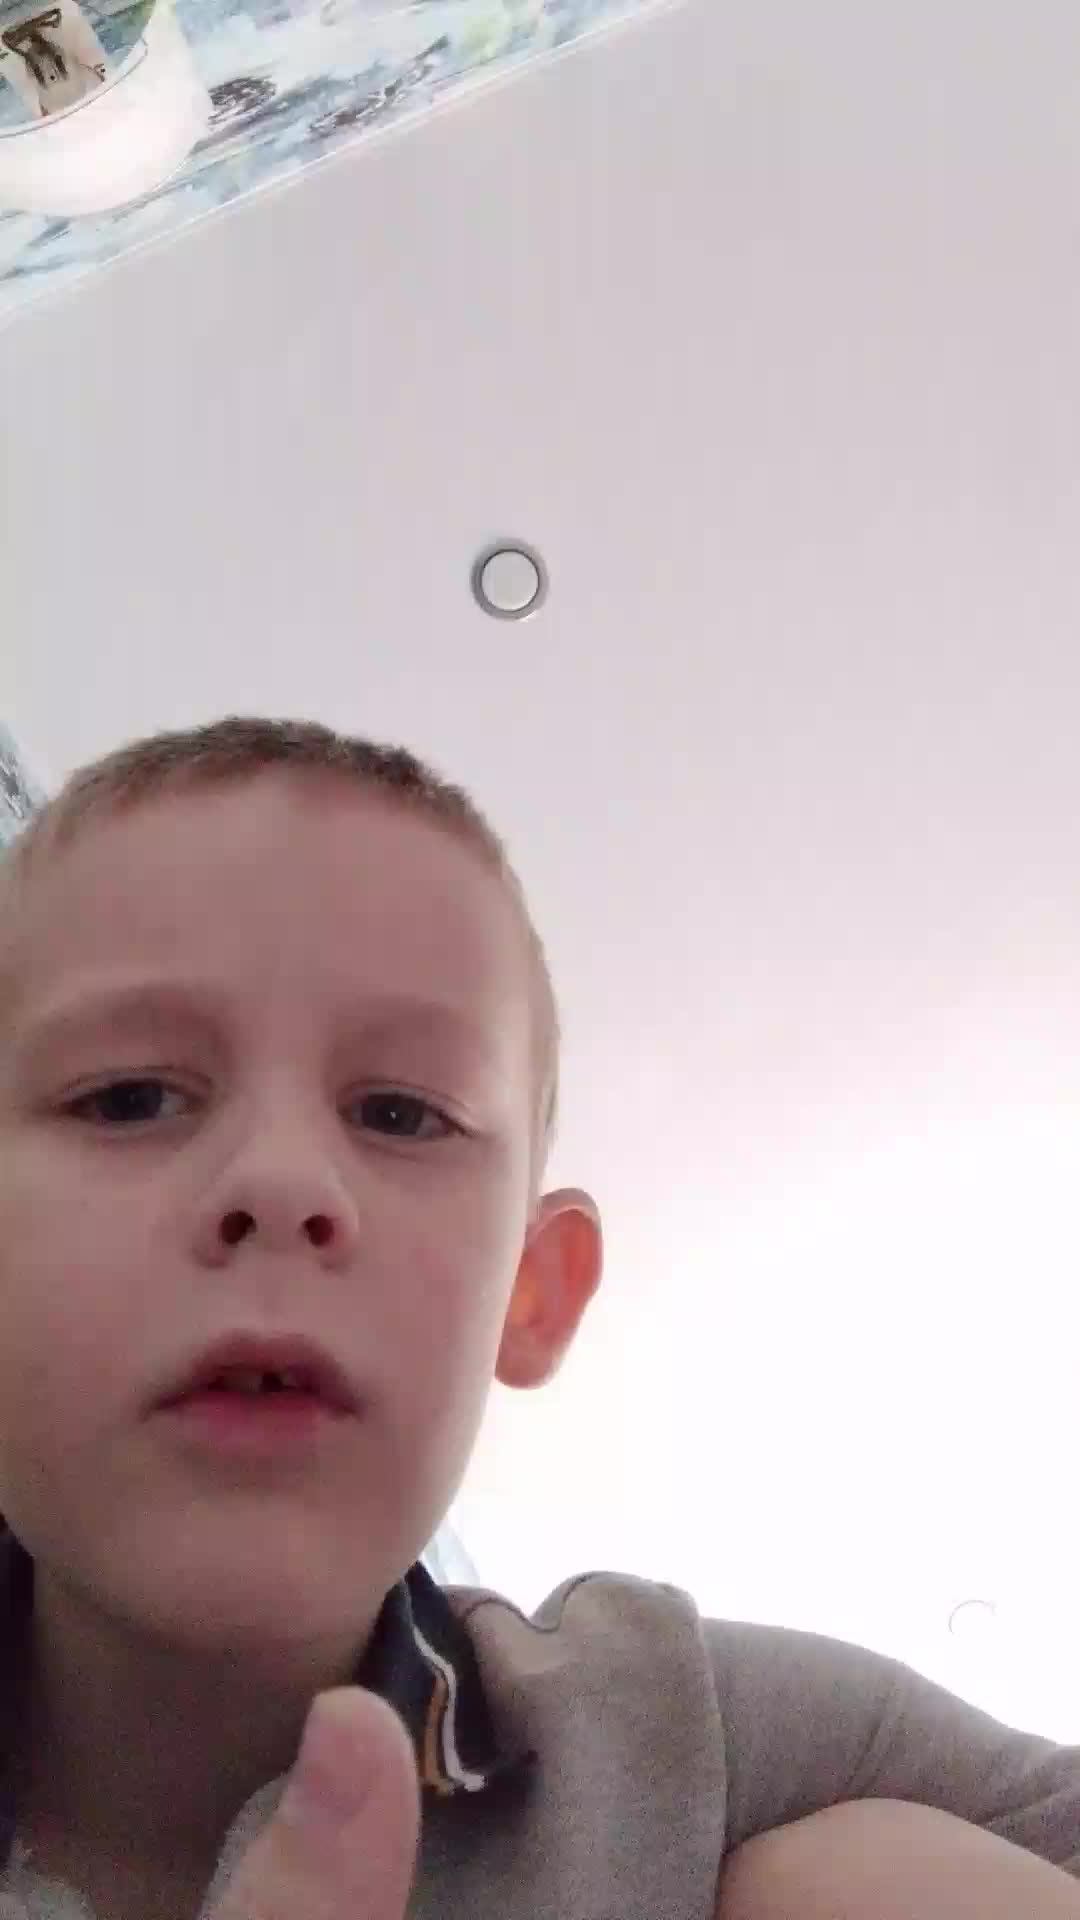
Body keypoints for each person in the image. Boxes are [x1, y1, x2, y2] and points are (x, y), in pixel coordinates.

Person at [0, 712, 1076, 1920]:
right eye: (129, 1098)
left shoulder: (687, 1738)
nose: (282, 1181)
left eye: (401, 1115)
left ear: (531, 1293)